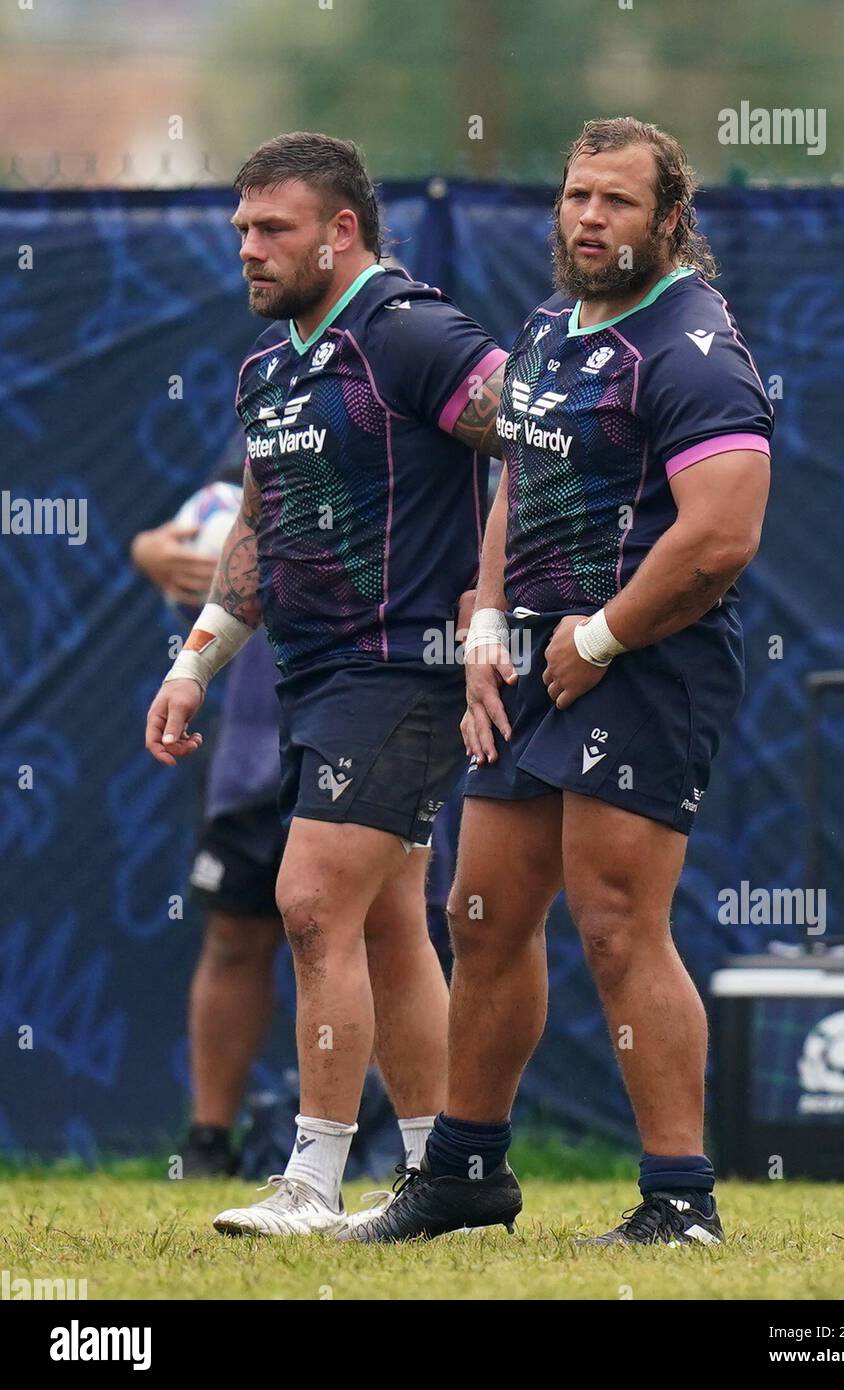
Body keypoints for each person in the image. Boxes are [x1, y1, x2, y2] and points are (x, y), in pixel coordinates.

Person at [345, 117, 772, 1246]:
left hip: (649, 658)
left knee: (623, 922)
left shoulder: (691, 344)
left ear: (669, 219)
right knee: (479, 914)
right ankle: (464, 1174)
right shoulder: (547, 327)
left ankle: (680, 1202)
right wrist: (488, 619)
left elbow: (724, 533)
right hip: (534, 662)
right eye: (578, 196)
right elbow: (517, 489)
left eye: (618, 202)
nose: (589, 219)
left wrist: (604, 639)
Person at [144, 131, 506, 1236]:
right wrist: (196, 662)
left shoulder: (413, 333)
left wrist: (492, 602)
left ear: (341, 231)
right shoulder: (272, 366)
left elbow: (543, 439)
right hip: (311, 674)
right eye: (242, 229)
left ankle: (311, 1178)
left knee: (307, 902)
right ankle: (447, 1175)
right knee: (390, 920)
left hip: (401, 666)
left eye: (274, 230)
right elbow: (256, 528)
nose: (249, 250)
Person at [132, 464, 285, 1179]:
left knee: (385, 934)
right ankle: (206, 1143)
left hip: (385, 723)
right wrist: (151, 548)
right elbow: (215, 512)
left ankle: (407, 1145)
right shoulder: (286, 390)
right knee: (233, 934)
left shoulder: (426, 392)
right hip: (254, 748)